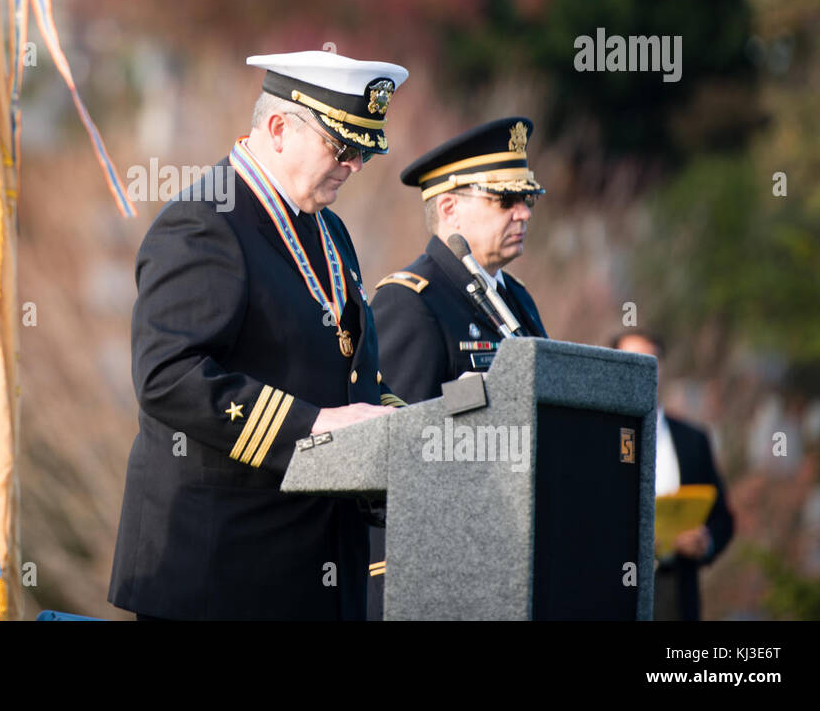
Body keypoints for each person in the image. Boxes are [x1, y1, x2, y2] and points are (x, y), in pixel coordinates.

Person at [109, 50, 407, 620]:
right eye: (343, 146)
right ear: (277, 129)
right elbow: (168, 377)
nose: (356, 164)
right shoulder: (203, 219)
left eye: (366, 150)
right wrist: (316, 425)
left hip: (315, 567)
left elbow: (341, 368)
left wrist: (410, 422)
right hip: (220, 574)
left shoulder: (329, 228)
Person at [366, 117, 548, 618]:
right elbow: (397, 449)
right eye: (504, 199)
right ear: (448, 207)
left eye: (527, 198)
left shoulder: (517, 301)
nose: (523, 213)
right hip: (435, 572)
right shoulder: (410, 302)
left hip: (510, 557)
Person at [612, 329, 734, 620]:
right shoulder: (597, 437)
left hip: (674, 590)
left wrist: (705, 541)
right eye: (630, 360)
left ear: (662, 368)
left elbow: (723, 519)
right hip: (613, 588)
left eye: (649, 360)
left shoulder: (693, 440)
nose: (640, 369)